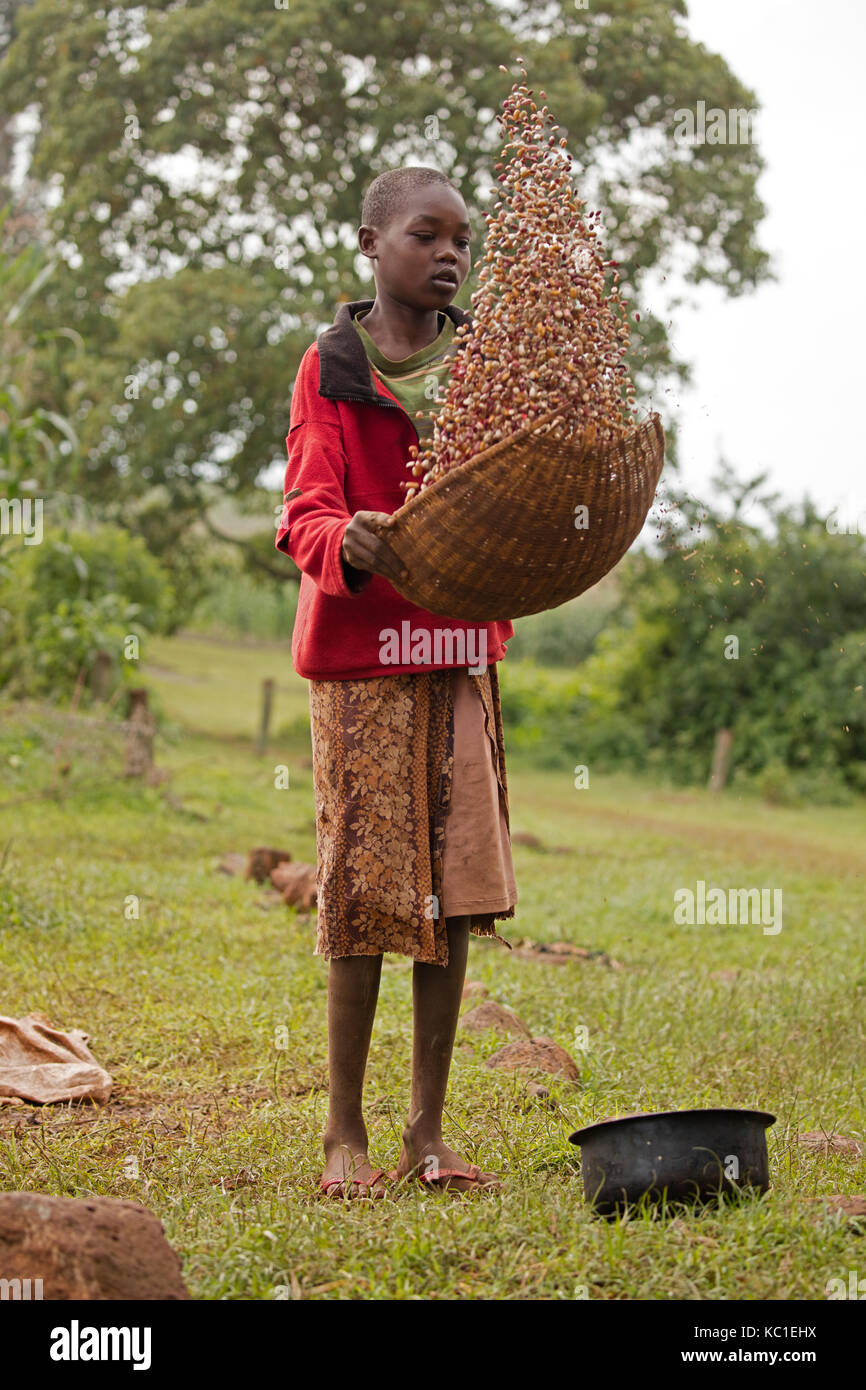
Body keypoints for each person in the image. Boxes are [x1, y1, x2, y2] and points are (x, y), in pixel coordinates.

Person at [275, 166, 518, 1197]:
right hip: (368, 663)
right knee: (365, 898)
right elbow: (303, 513)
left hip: (457, 659)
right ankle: (344, 1131)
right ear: (369, 245)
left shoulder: (485, 370)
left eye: (462, 238)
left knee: (452, 899)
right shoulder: (329, 367)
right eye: (426, 234)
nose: (449, 253)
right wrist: (352, 541)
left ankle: (426, 1132)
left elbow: (513, 493)